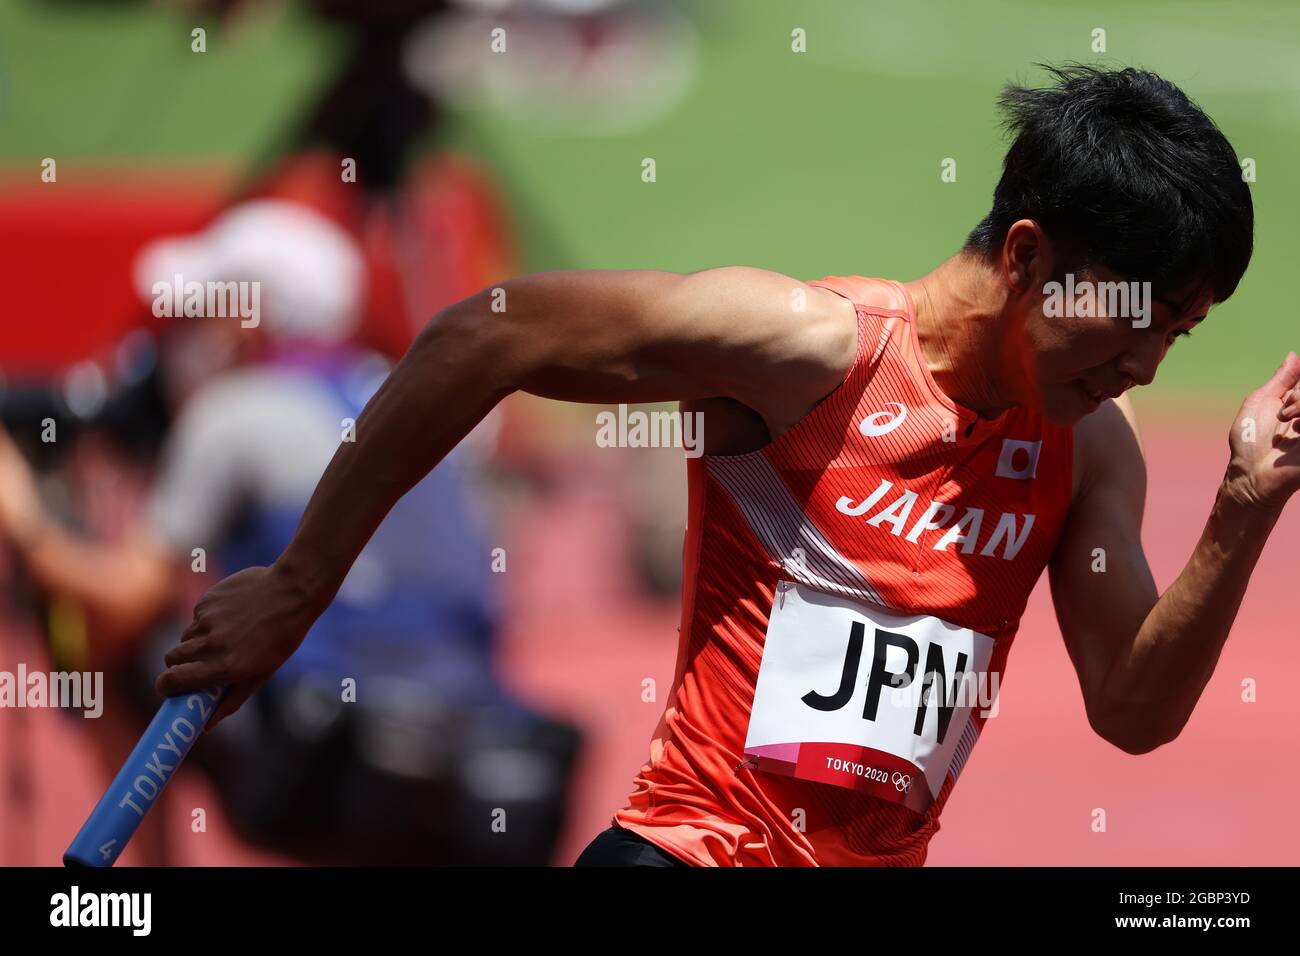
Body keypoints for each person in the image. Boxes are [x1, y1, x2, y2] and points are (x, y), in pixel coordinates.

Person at [147, 65, 1297, 867]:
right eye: (1132, 320)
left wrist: (1244, 506)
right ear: (1030, 255)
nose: (1146, 363)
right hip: (690, 854)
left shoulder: (1087, 447)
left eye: (1179, 337)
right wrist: (298, 585)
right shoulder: (804, 352)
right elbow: (482, 333)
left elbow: (1134, 711)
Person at [0, 199, 579, 865]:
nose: (180, 335)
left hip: (337, 766)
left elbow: (116, 606)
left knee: (134, 655)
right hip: (486, 767)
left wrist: (23, 513)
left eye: (200, 311)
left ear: (251, 320)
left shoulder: (235, 412)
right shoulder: (418, 401)